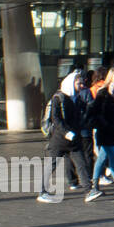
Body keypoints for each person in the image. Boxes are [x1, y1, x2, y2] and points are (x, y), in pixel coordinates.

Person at [37, 71, 92, 203]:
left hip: (73, 140)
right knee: (52, 165)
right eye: (78, 83)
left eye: (82, 83)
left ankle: (89, 190)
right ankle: (42, 192)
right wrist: (66, 132)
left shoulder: (77, 98)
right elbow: (56, 118)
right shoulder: (59, 97)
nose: (81, 85)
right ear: (71, 83)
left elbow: (80, 117)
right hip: (59, 139)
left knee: (81, 164)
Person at [84, 67, 114, 201]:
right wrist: (102, 124)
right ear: (110, 78)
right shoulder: (103, 93)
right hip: (104, 130)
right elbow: (95, 110)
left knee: (102, 158)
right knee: (113, 156)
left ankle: (95, 185)